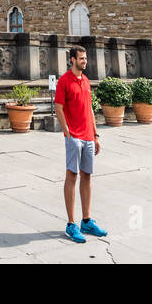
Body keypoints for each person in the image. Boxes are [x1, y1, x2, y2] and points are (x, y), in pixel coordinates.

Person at [53, 45, 106, 244]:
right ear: (72, 60)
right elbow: (58, 107)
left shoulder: (85, 81)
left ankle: (86, 220)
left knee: (87, 176)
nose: (85, 61)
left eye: (85, 58)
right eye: (81, 58)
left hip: (88, 136)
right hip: (74, 136)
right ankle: (71, 224)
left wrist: (96, 135)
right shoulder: (64, 81)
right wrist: (67, 132)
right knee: (72, 176)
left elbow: (90, 109)